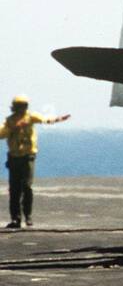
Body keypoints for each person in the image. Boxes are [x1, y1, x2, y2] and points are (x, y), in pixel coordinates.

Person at [2, 96, 71, 229]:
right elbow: (2, 133)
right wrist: (14, 128)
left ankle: (28, 216)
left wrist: (58, 119)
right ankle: (15, 219)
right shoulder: (9, 121)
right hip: (14, 158)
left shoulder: (30, 117)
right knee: (14, 189)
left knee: (27, 187)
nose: (23, 109)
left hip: (28, 156)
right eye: (21, 106)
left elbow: (45, 120)